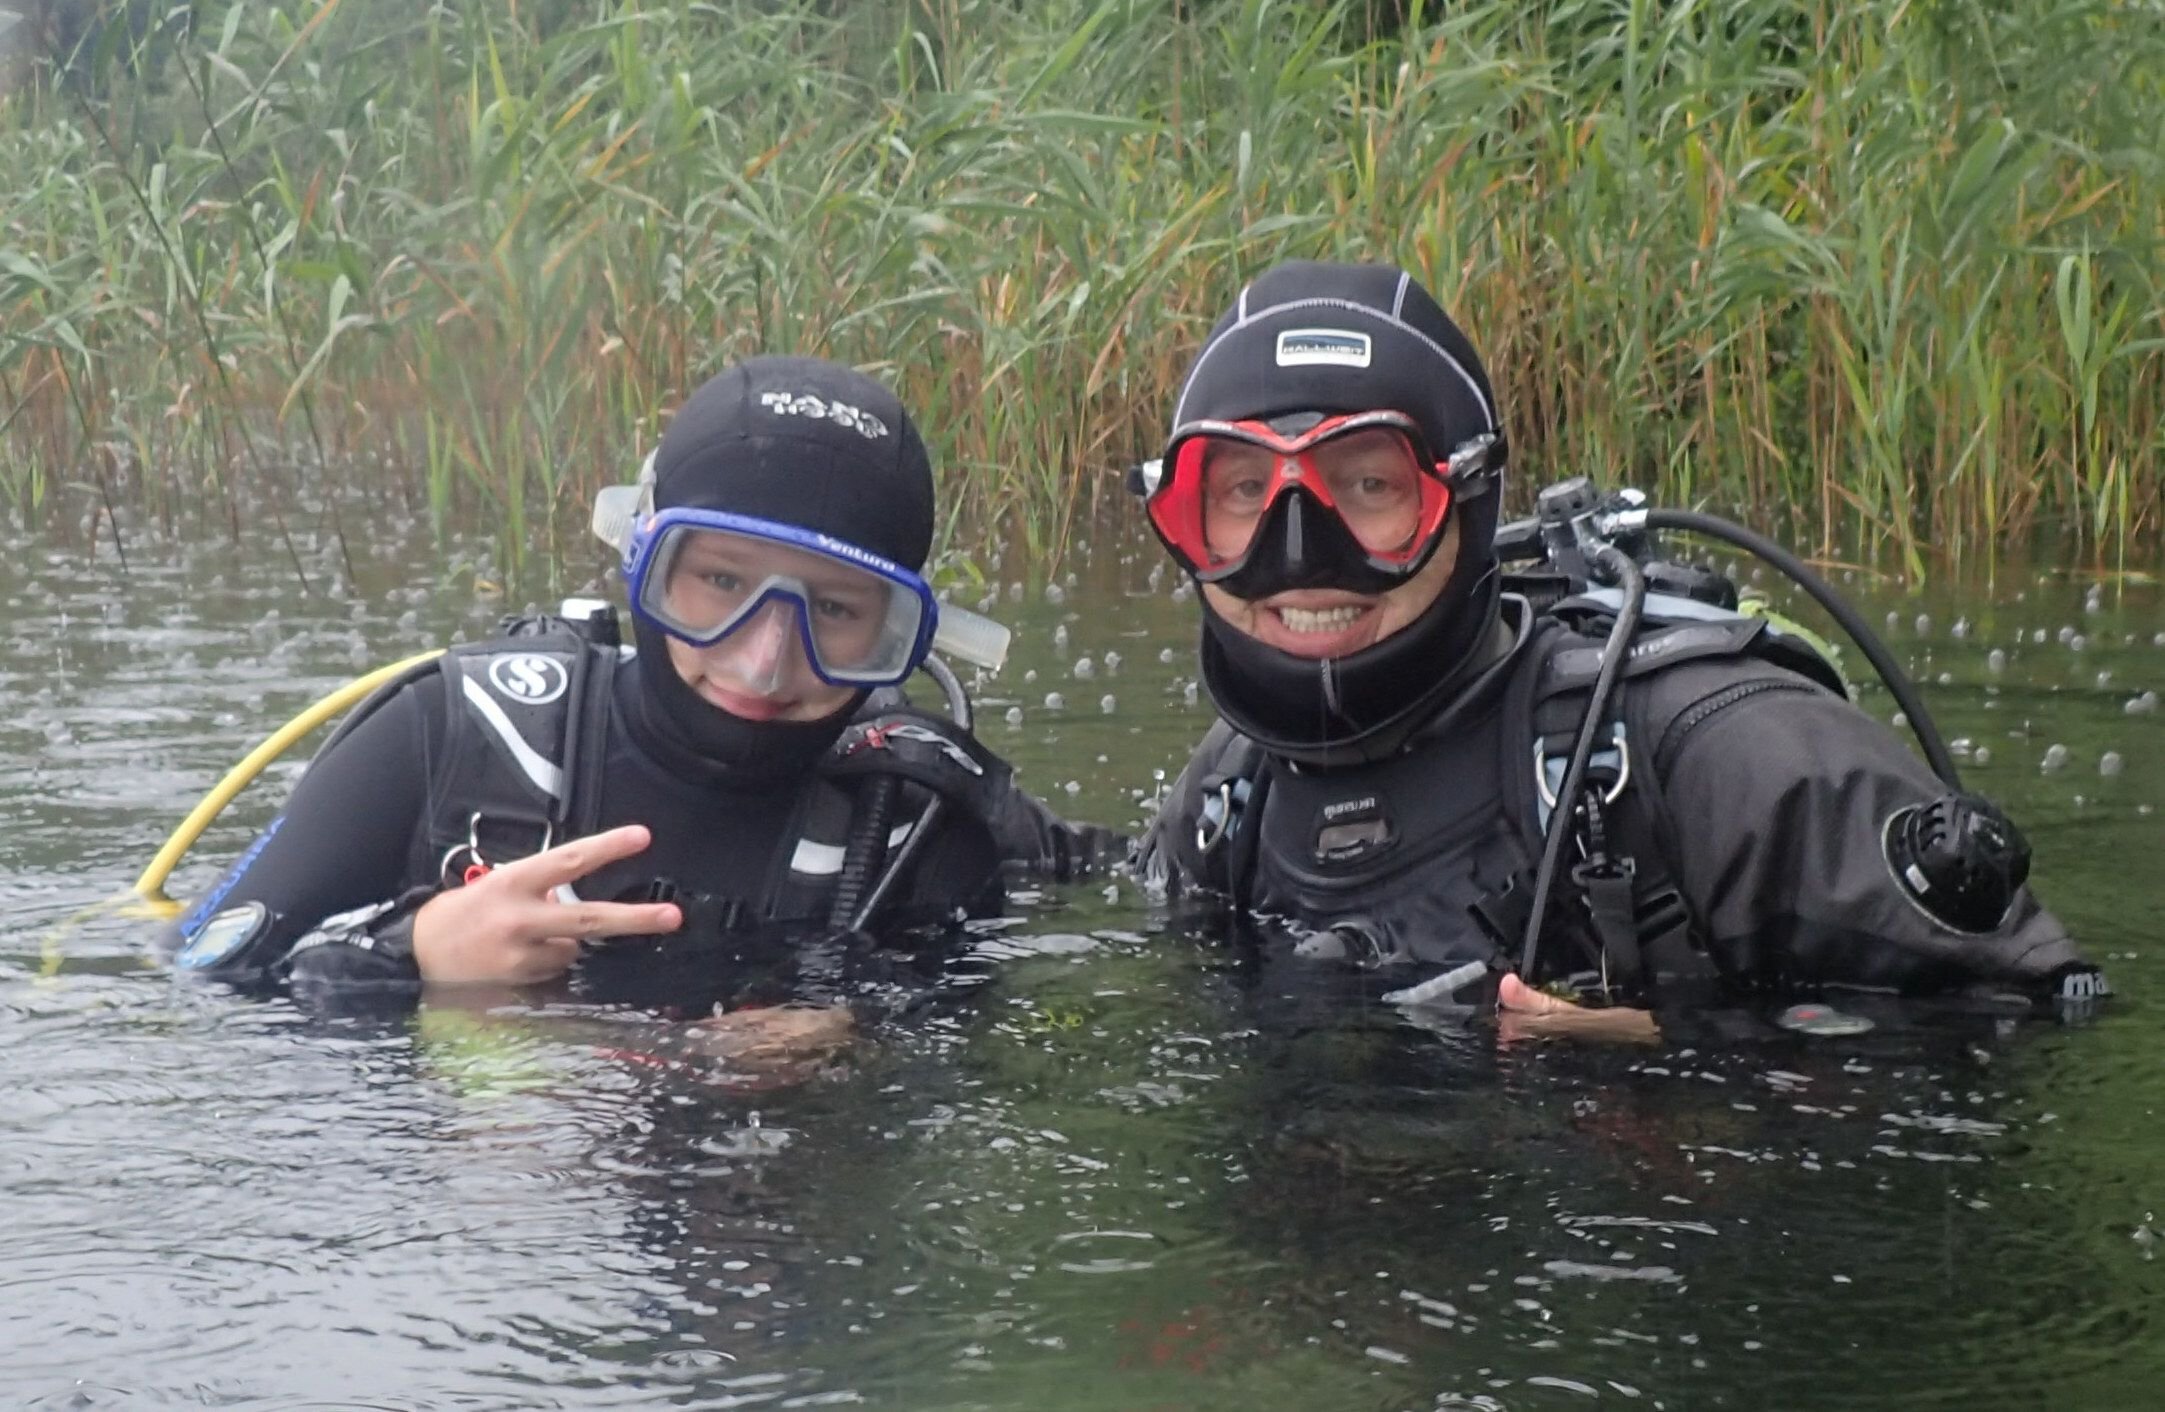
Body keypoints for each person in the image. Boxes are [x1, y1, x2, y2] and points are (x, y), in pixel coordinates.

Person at [1130, 260, 2102, 1029]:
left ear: (1464, 501)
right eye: (1243, 494)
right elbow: (1099, 896)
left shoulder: (1721, 755)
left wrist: (1677, 1056)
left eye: (1369, 485)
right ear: (1180, 517)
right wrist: (984, 809)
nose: (1298, 553)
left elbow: (2042, 1021)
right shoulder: (1232, 790)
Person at [167, 355, 1114, 1028]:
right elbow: (191, 981)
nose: (763, 662)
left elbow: (996, 1024)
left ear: (902, 636)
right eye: (720, 585)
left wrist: (861, 1031)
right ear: (640, 564)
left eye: (833, 610)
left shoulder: (915, 820)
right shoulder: (451, 732)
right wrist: (407, 954)